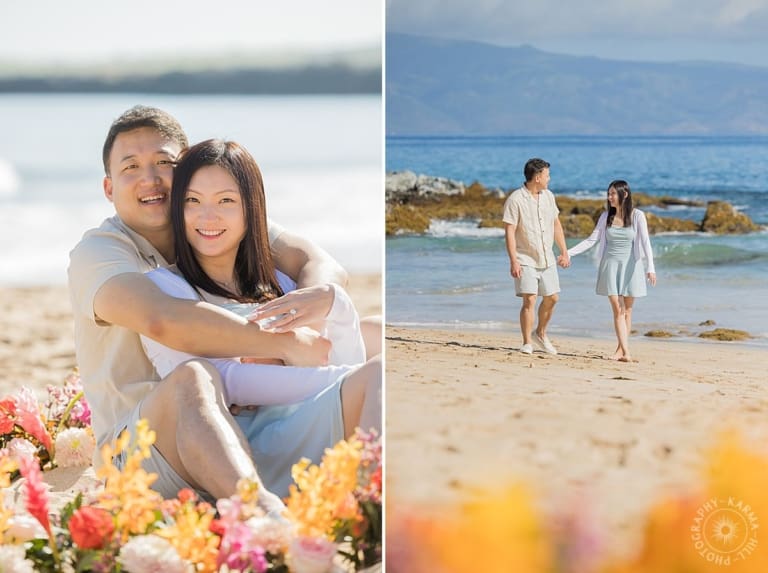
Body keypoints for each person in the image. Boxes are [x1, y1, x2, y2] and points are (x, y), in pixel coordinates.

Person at [67, 106, 359, 510]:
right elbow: (162, 319)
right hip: (142, 451)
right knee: (193, 378)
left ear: (186, 169)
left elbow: (322, 265)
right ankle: (258, 515)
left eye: (164, 163)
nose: (149, 178)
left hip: (240, 424)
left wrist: (305, 309)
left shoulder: (205, 219)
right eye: (130, 167)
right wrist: (284, 343)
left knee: (376, 335)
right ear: (109, 187)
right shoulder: (99, 252)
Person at [138, 138, 381, 497]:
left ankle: (370, 510)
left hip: (306, 422)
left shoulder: (281, 284)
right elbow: (219, 382)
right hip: (236, 451)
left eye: (226, 201)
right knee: (378, 372)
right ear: (178, 208)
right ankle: (369, 514)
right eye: (193, 201)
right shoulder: (164, 289)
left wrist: (334, 302)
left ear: (252, 209)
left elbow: (337, 357)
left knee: (376, 349)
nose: (208, 216)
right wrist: (295, 356)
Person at [567, 180, 657, 362]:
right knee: (618, 309)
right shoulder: (606, 216)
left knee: (628, 311)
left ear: (624, 194)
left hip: (631, 265)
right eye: (608, 194)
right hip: (610, 265)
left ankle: (620, 351)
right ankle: (627, 353)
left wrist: (651, 268)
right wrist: (567, 253)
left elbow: (646, 242)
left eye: (612, 194)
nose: (609, 197)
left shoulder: (637, 216)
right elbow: (591, 240)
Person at [502, 158, 570, 355]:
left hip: (547, 258)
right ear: (538, 177)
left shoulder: (549, 196)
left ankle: (540, 333)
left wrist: (564, 251)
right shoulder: (515, 199)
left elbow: (556, 224)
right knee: (529, 300)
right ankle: (526, 342)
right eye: (547, 175)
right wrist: (513, 260)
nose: (550, 179)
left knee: (553, 298)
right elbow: (509, 231)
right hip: (525, 258)